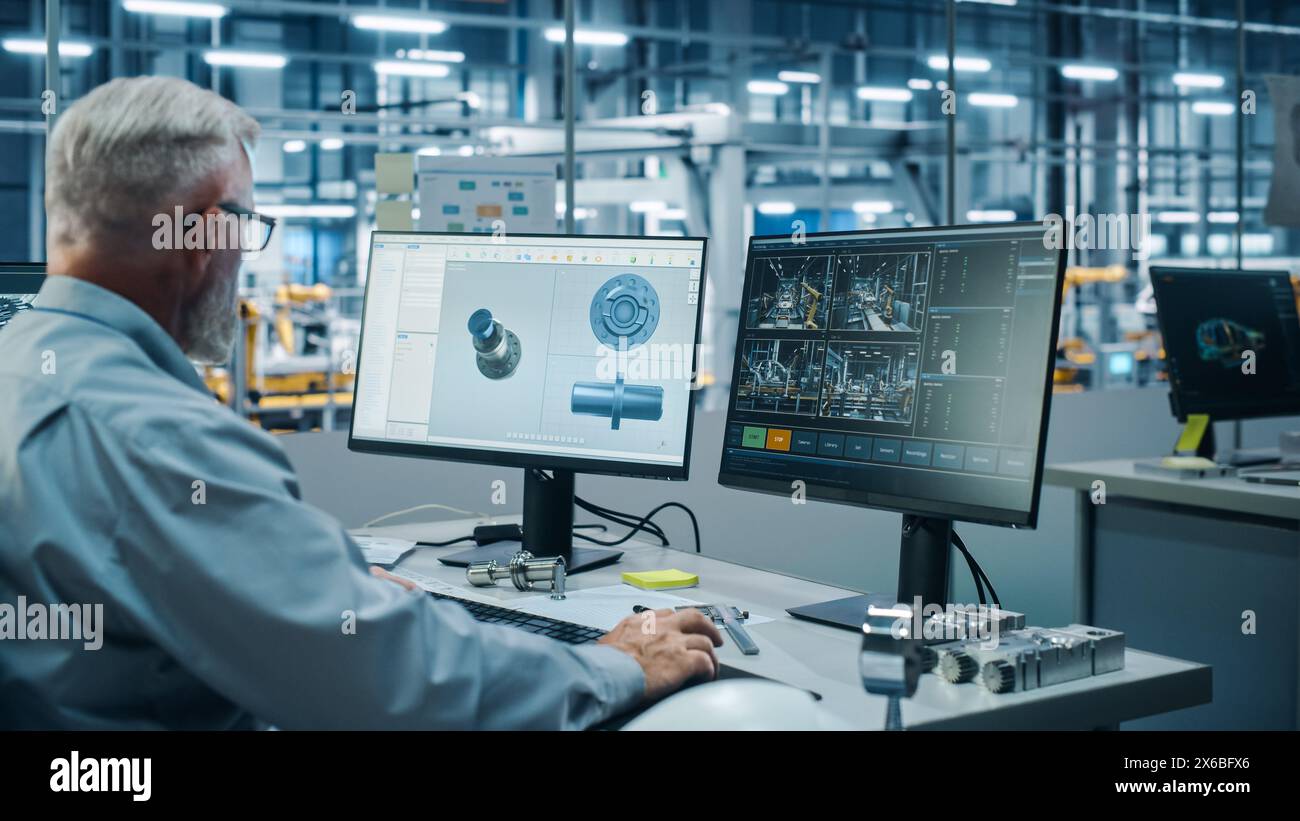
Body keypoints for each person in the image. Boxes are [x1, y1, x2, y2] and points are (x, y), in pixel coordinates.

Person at [0, 76, 721, 730]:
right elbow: (399, 685)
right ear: (198, 234)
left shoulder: (21, 366)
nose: (245, 256)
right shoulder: (157, 437)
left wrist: (312, 593)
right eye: (246, 226)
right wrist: (614, 666)